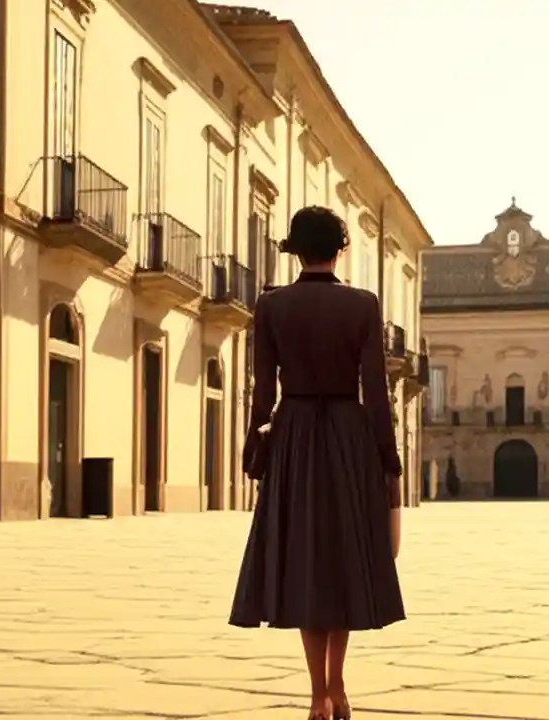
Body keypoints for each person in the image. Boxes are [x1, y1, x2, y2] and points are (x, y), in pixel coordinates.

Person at [230, 206, 405, 720]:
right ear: (340, 249)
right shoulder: (362, 305)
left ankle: (316, 695)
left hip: (296, 436)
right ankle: (338, 683)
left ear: (295, 250)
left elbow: (263, 391)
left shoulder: (272, 307)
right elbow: (375, 391)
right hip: (349, 438)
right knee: (343, 559)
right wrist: (387, 458)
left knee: (306, 560)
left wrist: (254, 446)